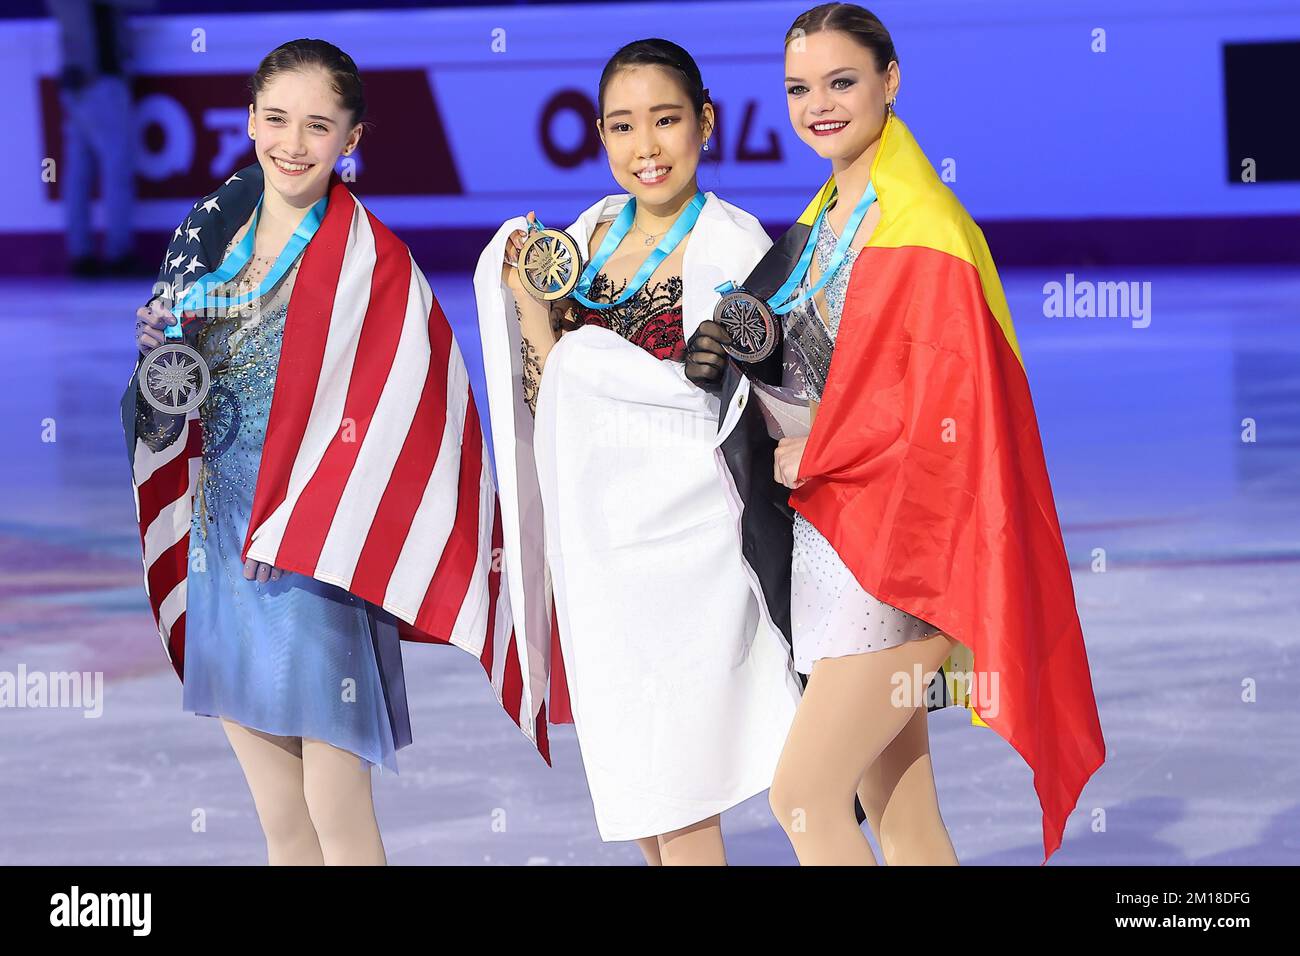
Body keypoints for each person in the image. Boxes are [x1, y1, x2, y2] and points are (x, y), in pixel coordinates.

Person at [686, 3, 1106, 865]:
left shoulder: (930, 232)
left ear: (891, 80)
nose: (819, 105)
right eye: (800, 88)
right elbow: (815, 371)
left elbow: (951, 423)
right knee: (902, 815)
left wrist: (825, 446)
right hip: (830, 542)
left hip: (896, 559)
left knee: (803, 796)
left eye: (842, 82)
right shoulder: (817, 227)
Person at [125, 39, 527, 865]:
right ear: (248, 121)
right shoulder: (208, 239)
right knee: (280, 819)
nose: (291, 143)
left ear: (352, 140)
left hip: (315, 559)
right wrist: (160, 364)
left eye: (318, 126)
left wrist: (305, 521)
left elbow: (410, 419)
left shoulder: (373, 265)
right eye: (275, 119)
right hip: (222, 550)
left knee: (335, 809)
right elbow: (171, 403)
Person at [474, 39, 800, 866]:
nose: (645, 148)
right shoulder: (584, 234)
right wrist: (525, 303)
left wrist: (570, 349)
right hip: (600, 548)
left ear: (707, 123)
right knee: (640, 786)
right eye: (622, 127)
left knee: (679, 788)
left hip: (688, 548)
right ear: (599, 134)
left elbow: (727, 407)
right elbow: (552, 398)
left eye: (665, 120)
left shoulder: (733, 245)